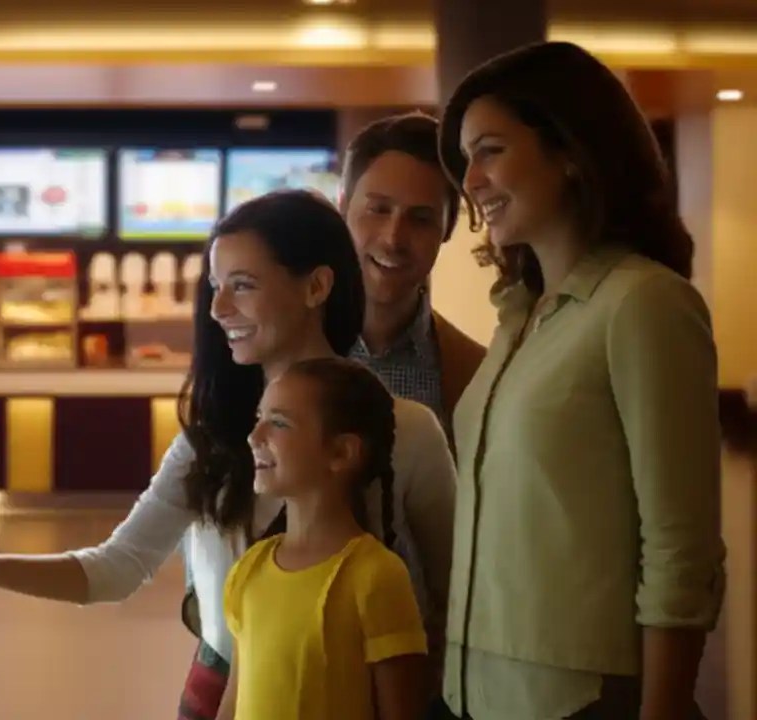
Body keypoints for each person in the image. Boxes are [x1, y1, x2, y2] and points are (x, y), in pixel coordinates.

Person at [0, 189, 456, 719]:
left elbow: (453, 599)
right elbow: (117, 568)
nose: (218, 309)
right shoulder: (208, 444)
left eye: (242, 285)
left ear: (316, 287)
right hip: (224, 693)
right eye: (215, 286)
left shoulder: (407, 433)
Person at [436, 41, 726, 719]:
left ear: (569, 151)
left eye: (490, 150)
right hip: (472, 690)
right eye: (466, 158)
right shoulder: (517, 318)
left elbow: (680, 548)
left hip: (579, 700)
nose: (470, 181)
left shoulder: (644, 303)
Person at [216, 356, 428, 720]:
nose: (254, 437)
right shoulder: (249, 569)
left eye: (279, 423)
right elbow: (233, 703)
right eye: (259, 419)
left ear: (341, 452)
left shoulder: (376, 576)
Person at [339, 112, 487, 438]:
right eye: (378, 210)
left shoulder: (476, 373)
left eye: (420, 219)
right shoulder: (280, 345)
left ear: (447, 229)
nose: (393, 239)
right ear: (343, 207)